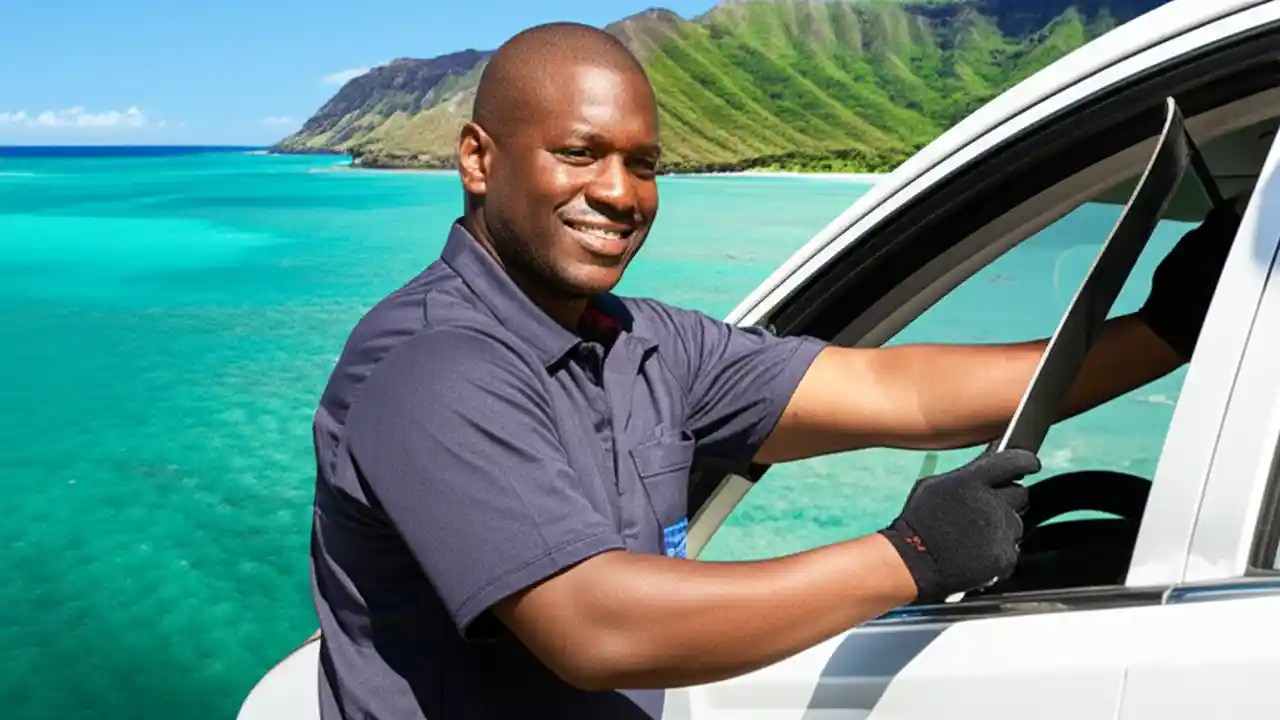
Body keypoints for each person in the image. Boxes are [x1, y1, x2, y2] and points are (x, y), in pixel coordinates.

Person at [307, 21, 1240, 720]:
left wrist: (1163, 331)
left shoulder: (645, 343)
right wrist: (906, 558)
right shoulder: (431, 367)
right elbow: (597, 627)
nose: (620, 195)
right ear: (478, 159)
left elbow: (895, 392)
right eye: (579, 154)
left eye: (644, 163)